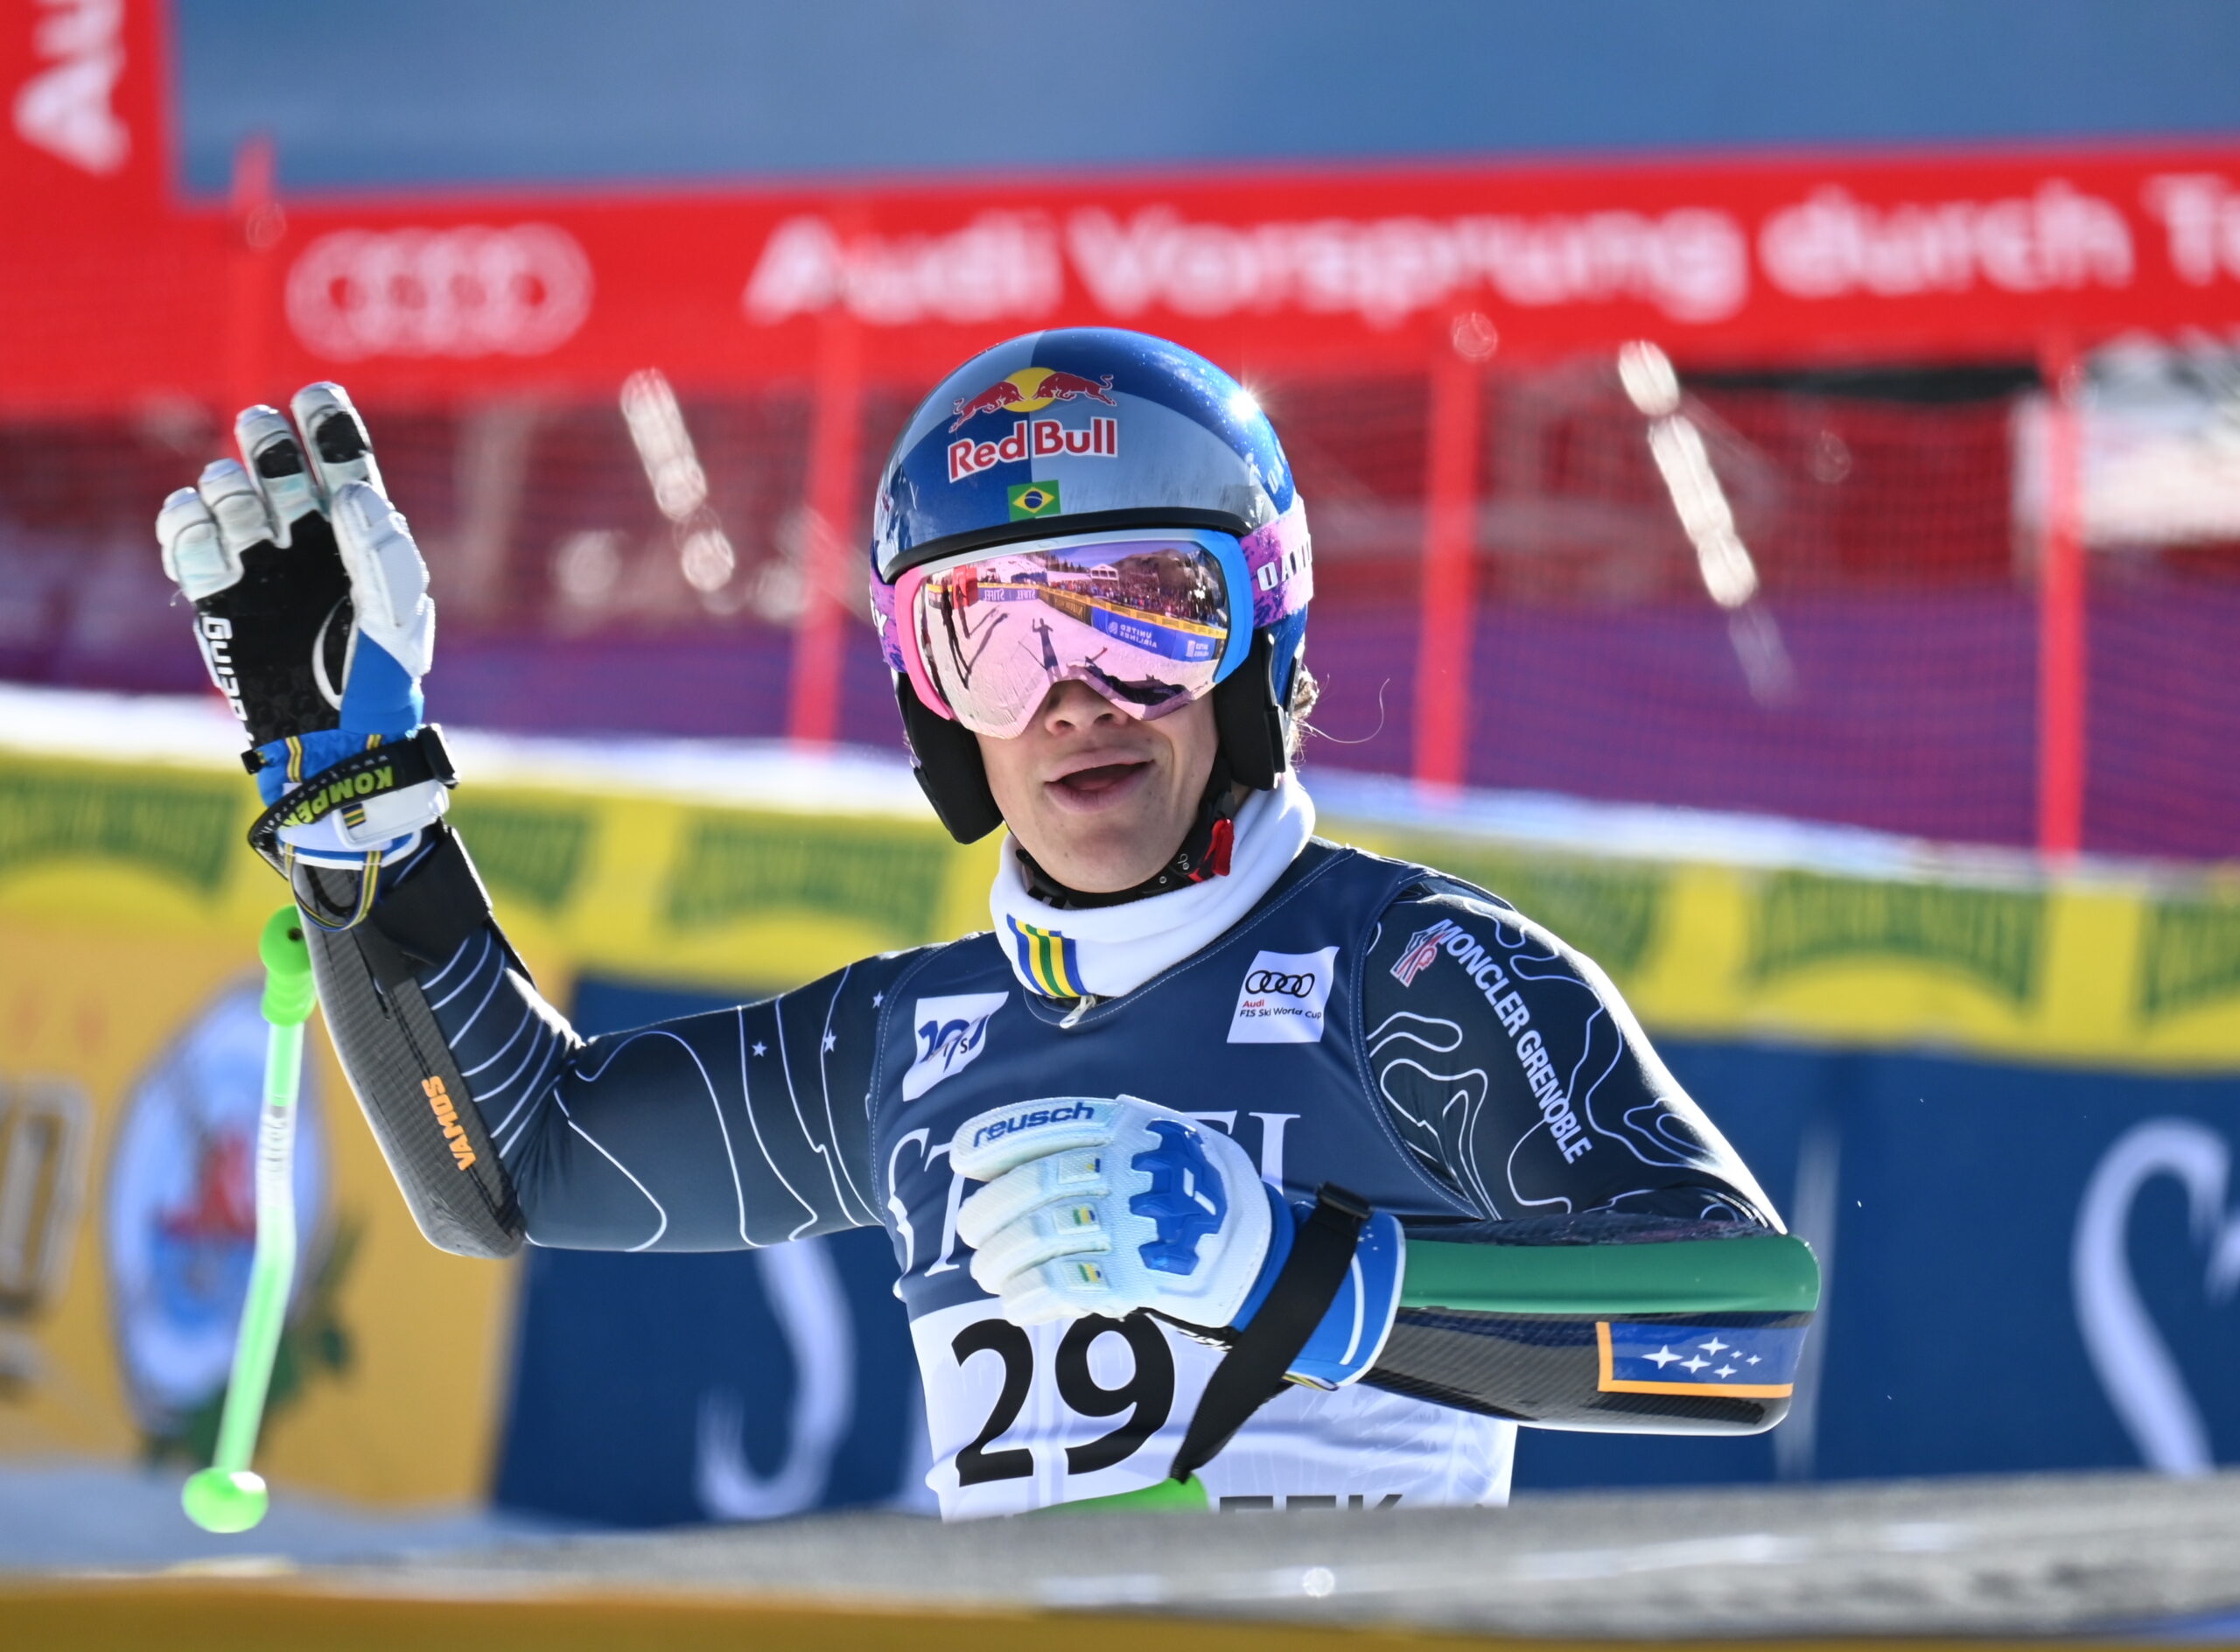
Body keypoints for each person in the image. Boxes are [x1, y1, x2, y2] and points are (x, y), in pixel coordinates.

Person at [157, 331, 1815, 1519]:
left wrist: (1290, 1272)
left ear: (1259, 643)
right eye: (994, 640)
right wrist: (361, 813)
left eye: (1147, 619)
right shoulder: (904, 1042)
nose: (1075, 697)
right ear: (935, 703)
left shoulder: (1415, 971)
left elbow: (1740, 1334)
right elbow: (512, 1168)